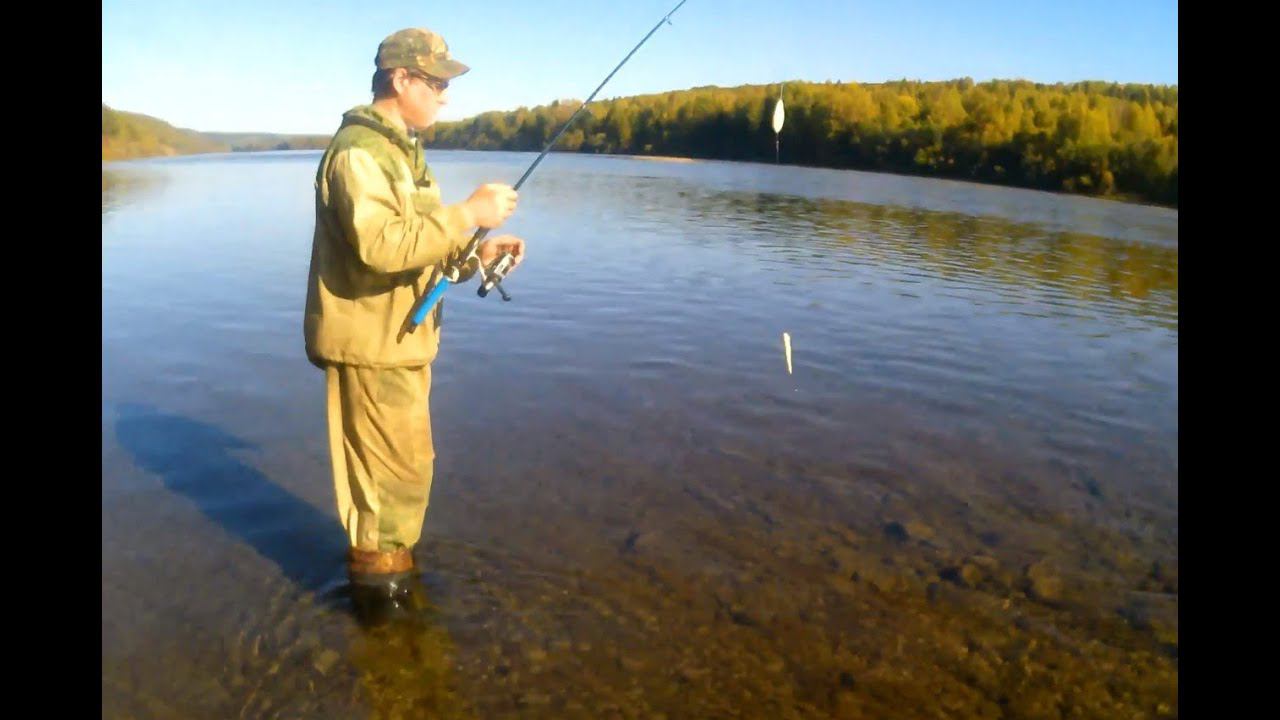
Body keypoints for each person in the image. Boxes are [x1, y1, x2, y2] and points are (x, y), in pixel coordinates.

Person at [303, 27, 525, 622]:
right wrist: (469, 213)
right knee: (385, 489)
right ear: (400, 80)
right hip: (373, 347)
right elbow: (379, 245)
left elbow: (420, 246)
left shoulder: (400, 151)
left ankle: (391, 602)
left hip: (398, 342)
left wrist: (478, 251)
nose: (445, 96)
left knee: (406, 477)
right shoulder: (359, 152)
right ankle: (385, 618)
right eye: (436, 83)